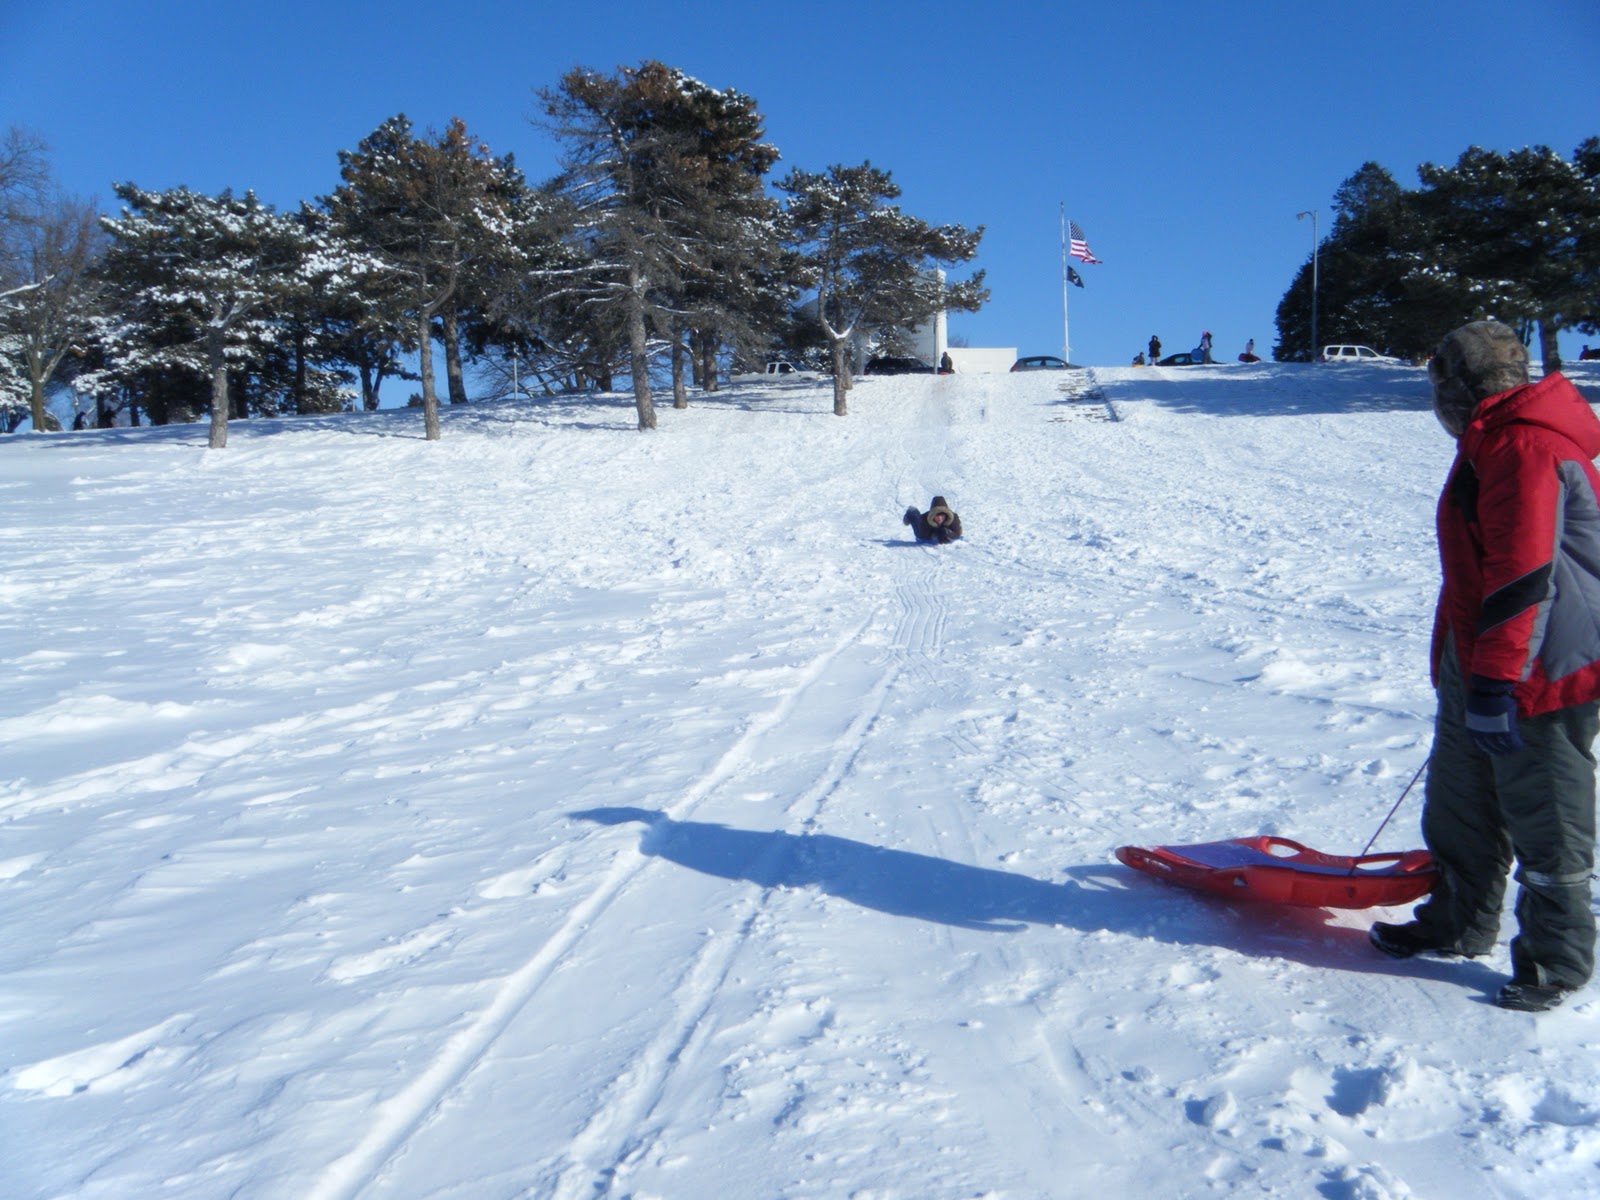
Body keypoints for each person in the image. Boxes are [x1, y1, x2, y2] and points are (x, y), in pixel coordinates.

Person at [1368, 320, 1600, 1012]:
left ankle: (1556, 961)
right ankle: (1457, 921)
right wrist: (1461, 663)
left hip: (1543, 664)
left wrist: (1498, 680)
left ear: (1460, 385)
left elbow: (1524, 577)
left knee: (1546, 810)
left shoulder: (1524, 446)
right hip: (1486, 656)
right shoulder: (1491, 439)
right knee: (1461, 798)